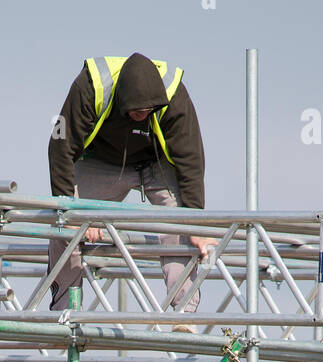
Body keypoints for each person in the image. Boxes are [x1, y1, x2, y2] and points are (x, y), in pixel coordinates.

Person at [47, 54, 217, 316]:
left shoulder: (174, 95)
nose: (144, 116)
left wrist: (196, 221)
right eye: (138, 111)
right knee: (62, 222)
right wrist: (74, 214)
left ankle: (184, 313)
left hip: (156, 166)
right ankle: (63, 311)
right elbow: (61, 147)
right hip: (101, 163)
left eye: (149, 111)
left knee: (181, 221)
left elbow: (191, 158)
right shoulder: (89, 87)